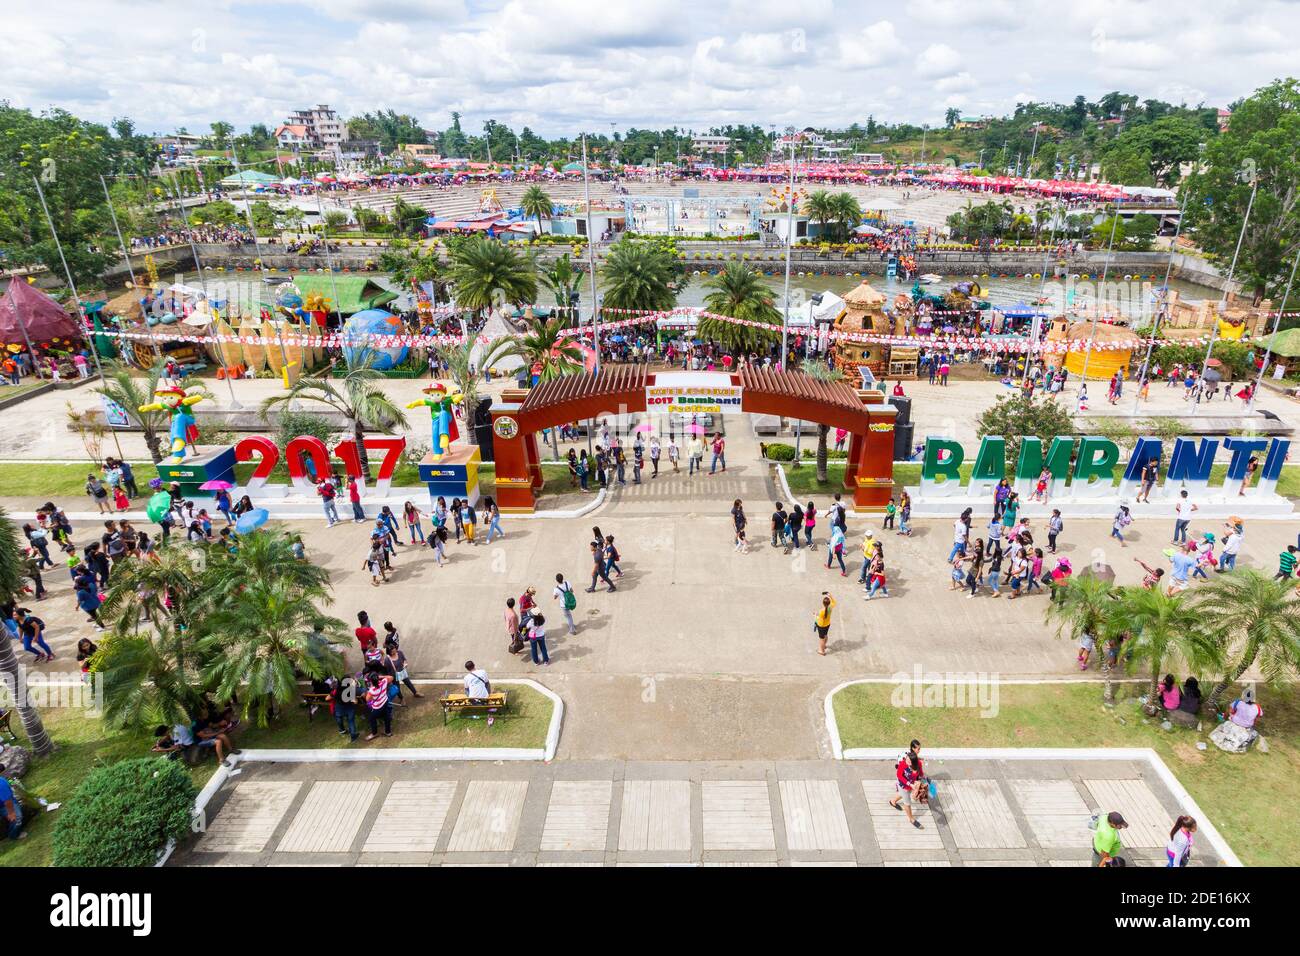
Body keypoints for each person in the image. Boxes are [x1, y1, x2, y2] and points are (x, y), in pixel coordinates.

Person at [888, 742, 927, 830]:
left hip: (912, 785)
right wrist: (910, 784)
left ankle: (892, 801)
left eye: (908, 760)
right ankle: (911, 819)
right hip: (904, 786)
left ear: (914, 762)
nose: (906, 761)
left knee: (903, 795)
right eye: (906, 759)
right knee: (907, 802)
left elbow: (920, 773)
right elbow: (899, 776)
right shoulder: (903, 764)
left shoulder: (919, 764)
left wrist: (923, 778)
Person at [364, 672, 394, 740]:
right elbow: (391, 677)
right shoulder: (384, 682)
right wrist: (381, 676)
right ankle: (388, 732)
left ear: (371, 681)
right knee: (387, 717)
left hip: (377, 707)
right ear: (378, 678)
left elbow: (367, 699)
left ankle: (374, 733)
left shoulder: (372, 690)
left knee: (372, 718)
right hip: (385, 702)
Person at [0, 762, 25, 841]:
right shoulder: (1, 784)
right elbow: (7, 801)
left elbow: (7, 800)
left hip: (5, 803)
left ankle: (13, 834)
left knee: (15, 817)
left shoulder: (1, 783)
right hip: (4, 804)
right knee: (17, 818)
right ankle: (13, 835)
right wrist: (11, 813)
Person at [813, 592, 836, 656]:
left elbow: (818, 619)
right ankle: (824, 646)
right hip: (827, 624)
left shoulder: (822, 611)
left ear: (823, 603)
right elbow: (834, 602)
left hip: (821, 626)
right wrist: (830, 595)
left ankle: (822, 651)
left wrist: (815, 615)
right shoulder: (830, 607)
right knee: (825, 635)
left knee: (821, 639)